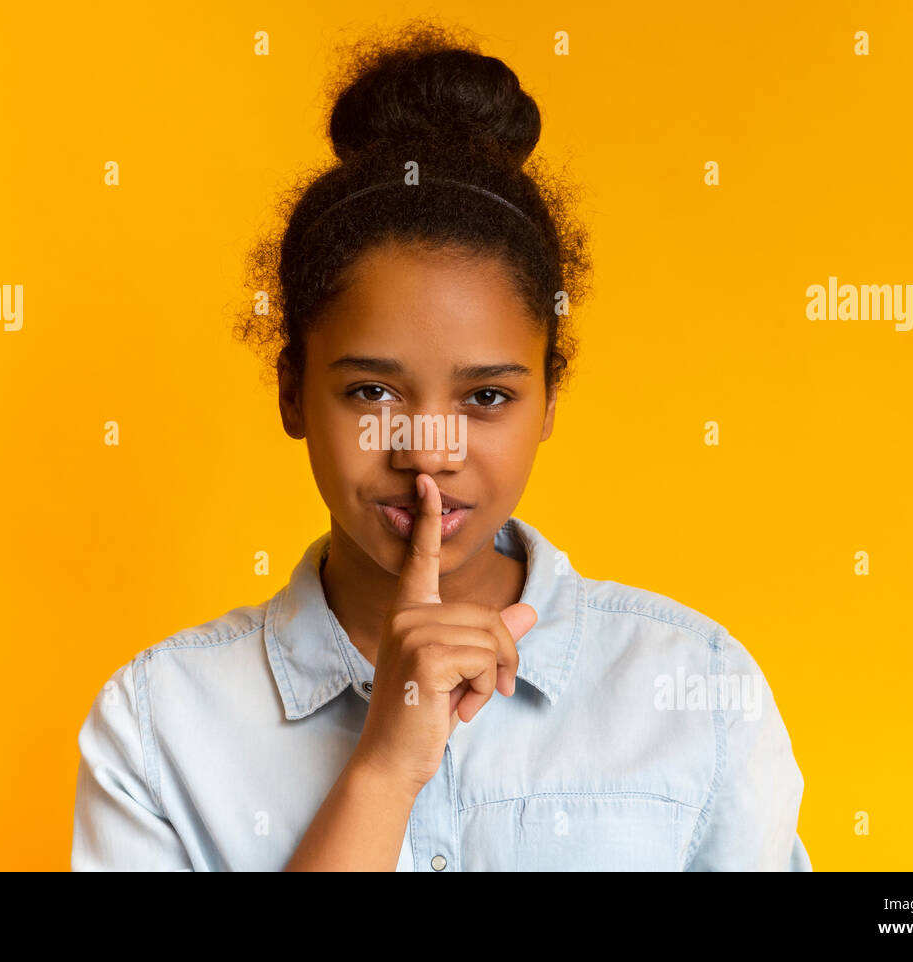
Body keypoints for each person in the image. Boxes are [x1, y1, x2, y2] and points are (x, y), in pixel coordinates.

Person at [71, 22, 811, 872]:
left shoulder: (697, 694)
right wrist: (384, 770)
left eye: (487, 396)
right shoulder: (159, 726)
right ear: (291, 393)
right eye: (371, 392)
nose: (427, 451)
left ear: (548, 402)